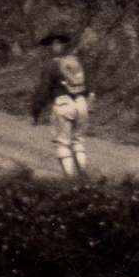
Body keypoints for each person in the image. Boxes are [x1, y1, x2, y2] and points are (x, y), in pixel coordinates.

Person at [29, 31, 92, 177]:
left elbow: (43, 91)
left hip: (63, 104)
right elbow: (88, 86)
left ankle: (70, 180)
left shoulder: (51, 66)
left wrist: (35, 113)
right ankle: (83, 174)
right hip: (81, 103)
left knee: (63, 143)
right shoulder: (76, 62)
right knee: (78, 141)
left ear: (51, 47)